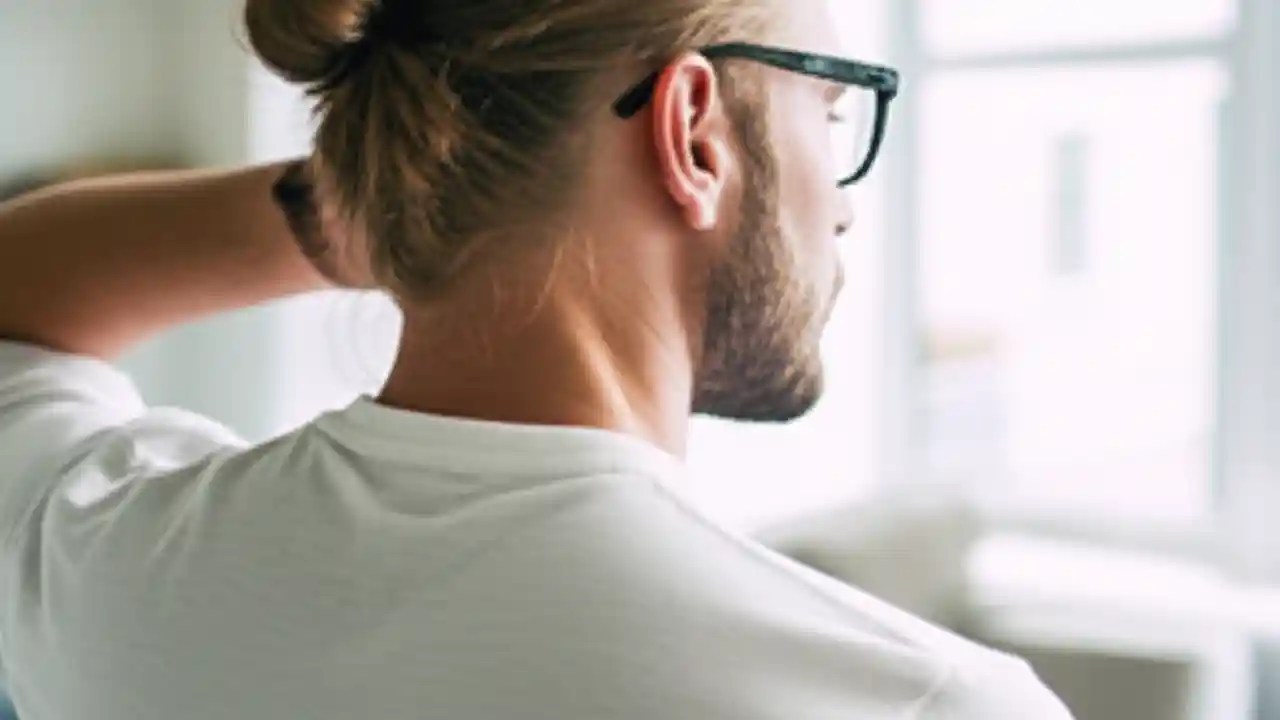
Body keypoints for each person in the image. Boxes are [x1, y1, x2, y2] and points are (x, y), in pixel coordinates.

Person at [0, 0, 1074, 717]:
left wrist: (390, 196)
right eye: (829, 112)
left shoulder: (111, 569)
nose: (840, 206)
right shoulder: (918, 704)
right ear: (692, 132)